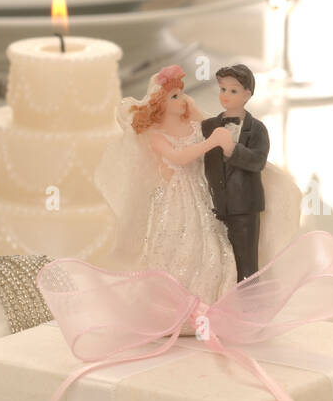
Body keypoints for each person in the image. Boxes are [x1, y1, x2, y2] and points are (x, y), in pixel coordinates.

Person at [95, 65, 237, 308]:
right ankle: (174, 302)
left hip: (201, 189)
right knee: (179, 239)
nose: (182, 99)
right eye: (174, 96)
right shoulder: (156, 134)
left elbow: (216, 130)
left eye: (182, 94)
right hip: (177, 195)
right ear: (160, 103)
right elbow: (180, 157)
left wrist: (197, 113)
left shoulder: (192, 125)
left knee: (210, 240)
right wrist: (210, 143)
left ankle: (207, 299)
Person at [201, 64, 269, 281]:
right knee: (219, 262)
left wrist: (232, 149)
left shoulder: (257, 129)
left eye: (233, 91)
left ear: (247, 94)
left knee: (246, 264)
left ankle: (251, 306)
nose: (226, 96)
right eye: (223, 89)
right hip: (215, 205)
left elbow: (258, 161)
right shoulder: (208, 126)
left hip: (244, 207)